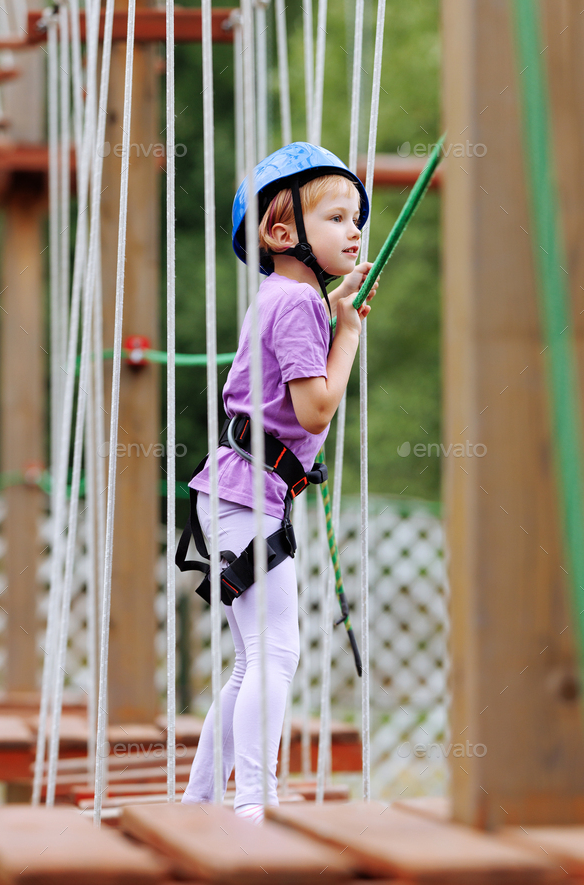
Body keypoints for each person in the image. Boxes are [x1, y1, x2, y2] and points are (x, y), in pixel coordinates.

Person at [179, 142, 378, 823]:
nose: (355, 230)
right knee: (276, 649)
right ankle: (252, 801)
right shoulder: (297, 303)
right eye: (337, 217)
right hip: (245, 491)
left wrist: (340, 321)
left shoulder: (287, 296)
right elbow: (314, 408)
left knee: (251, 657)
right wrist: (348, 330)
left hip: (238, 490)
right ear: (282, 232)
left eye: (358, 219)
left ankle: (204, 795)